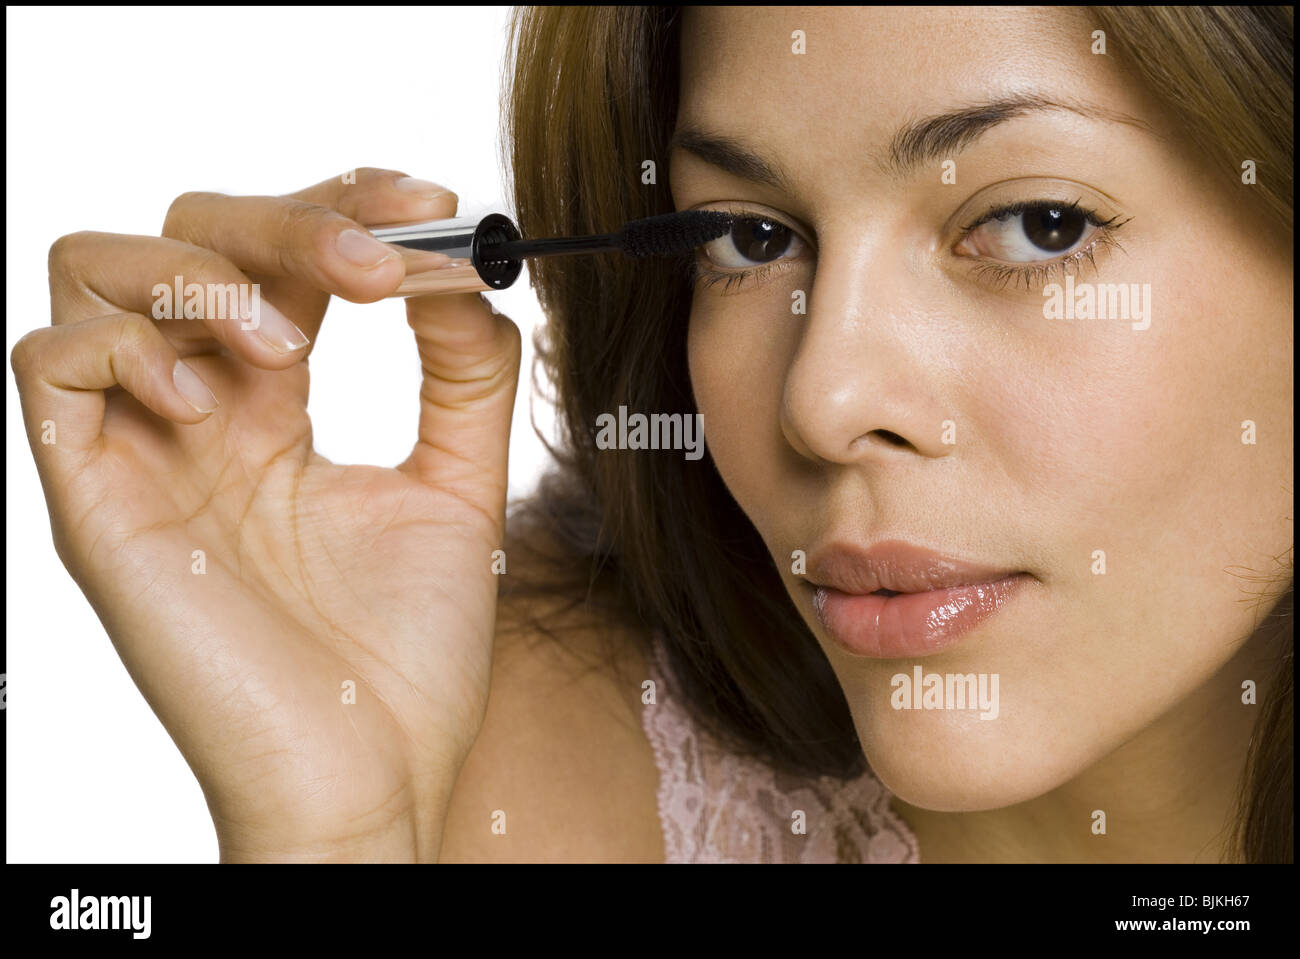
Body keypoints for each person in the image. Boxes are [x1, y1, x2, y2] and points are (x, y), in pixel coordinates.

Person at [13, 6, 1292, 862]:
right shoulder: (513, 766)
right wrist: (336, 840)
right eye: (749, 236)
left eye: (1038, 226)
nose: (821, 400)